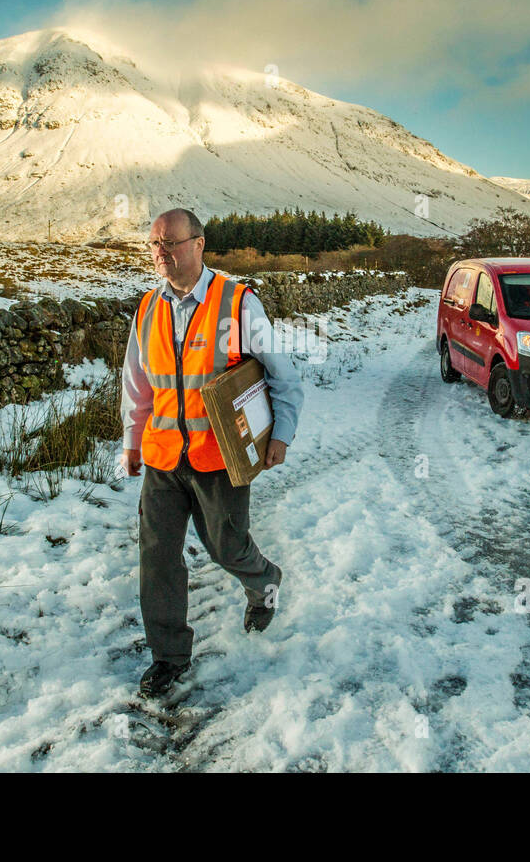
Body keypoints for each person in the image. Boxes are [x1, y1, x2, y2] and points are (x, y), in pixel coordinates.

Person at [120, 208, 305, 698]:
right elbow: (138, 386)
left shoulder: (238, 304)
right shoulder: (147, 309)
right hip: (162, 457)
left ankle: (264, 579)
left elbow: (283, 376)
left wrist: (279, 436)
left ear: (199, 245)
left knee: (226, 547)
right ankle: (169, 656)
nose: (162, 253)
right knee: (157, 557)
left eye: (172, 243)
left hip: (217, 457)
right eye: (155, 244)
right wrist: (133, 441)